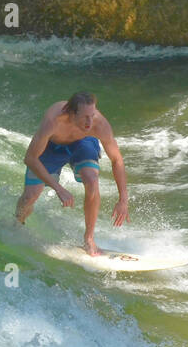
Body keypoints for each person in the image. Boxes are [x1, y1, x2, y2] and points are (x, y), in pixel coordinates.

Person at [15, 91, 129, 257]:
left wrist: (123, 199)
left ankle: (89, 238)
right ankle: (17, 224)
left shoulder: (98, 125)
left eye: (93, 114)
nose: (90, 122)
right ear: (70, 112)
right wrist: (58, 188)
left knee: (91, 180)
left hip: (83, 144)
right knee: (29, 197)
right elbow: (30, 158)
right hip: (51, 147)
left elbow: (117, 160)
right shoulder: (53, 121)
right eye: (85, 117)